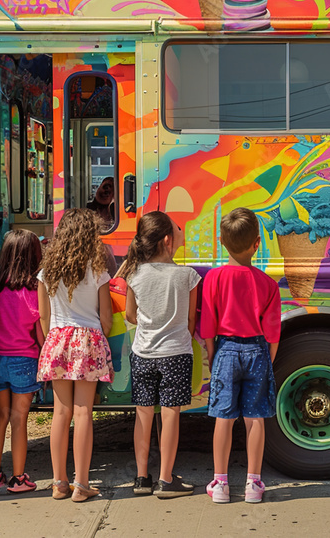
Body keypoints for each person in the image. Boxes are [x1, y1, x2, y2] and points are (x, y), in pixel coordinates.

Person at [201, 208, 281, 504]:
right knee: (254, 417)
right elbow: (273, 332)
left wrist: (214, 356)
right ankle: (253, 484)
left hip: (225, 350)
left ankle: (220, 484)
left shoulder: (214, 278)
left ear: (222, 241)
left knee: (224, 417)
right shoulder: (268, 284)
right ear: (257, 243)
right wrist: (267, 359)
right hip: (257, 350)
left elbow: (208, 326)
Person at [118, 211, 200, 499]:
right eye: (178, 229)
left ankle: (141, 478)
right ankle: (166, 480)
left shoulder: (134, 273)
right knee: (170, 415)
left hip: (143, 353)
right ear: (168, 240)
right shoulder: (187, 275)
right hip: (176, 353)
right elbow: (191, 322)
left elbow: (130, 314)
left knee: (143, 414)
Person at [38, 209, 114, 502]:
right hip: (88, 340)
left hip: (57, 339)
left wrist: (52, 343)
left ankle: (59, 483)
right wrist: (98, 337)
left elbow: (44, 317)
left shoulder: (46, 273)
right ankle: (81, 485)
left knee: (61, 413)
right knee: (84, 413)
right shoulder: (98, 273)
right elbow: (105, 318)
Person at [0, 230, 44, 494]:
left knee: (1, 416)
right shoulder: (35, 289)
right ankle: (19, 478)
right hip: (25, 359)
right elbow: (40, 331)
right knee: (20, 419)